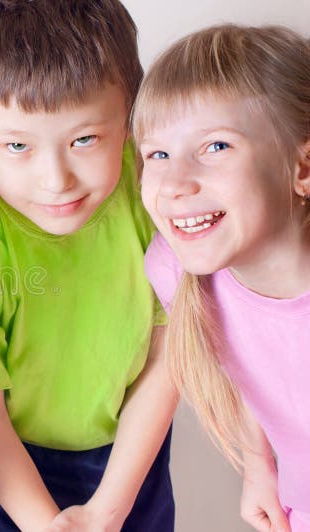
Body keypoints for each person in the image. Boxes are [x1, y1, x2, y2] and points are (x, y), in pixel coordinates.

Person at [0, 1, 178, 530]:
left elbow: (171, 354)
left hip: (132, 452)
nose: (55, 179)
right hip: (0, 461)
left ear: (129, 114)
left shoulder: (157, 191)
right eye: (17, 145)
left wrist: (109, 509)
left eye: (84, 139)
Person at [134, 24, 310, 532]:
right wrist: (260, 466)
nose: (174, 183)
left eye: (215, 147)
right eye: (157, 155)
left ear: (303, 167)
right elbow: (245, 373)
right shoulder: (174, 269)